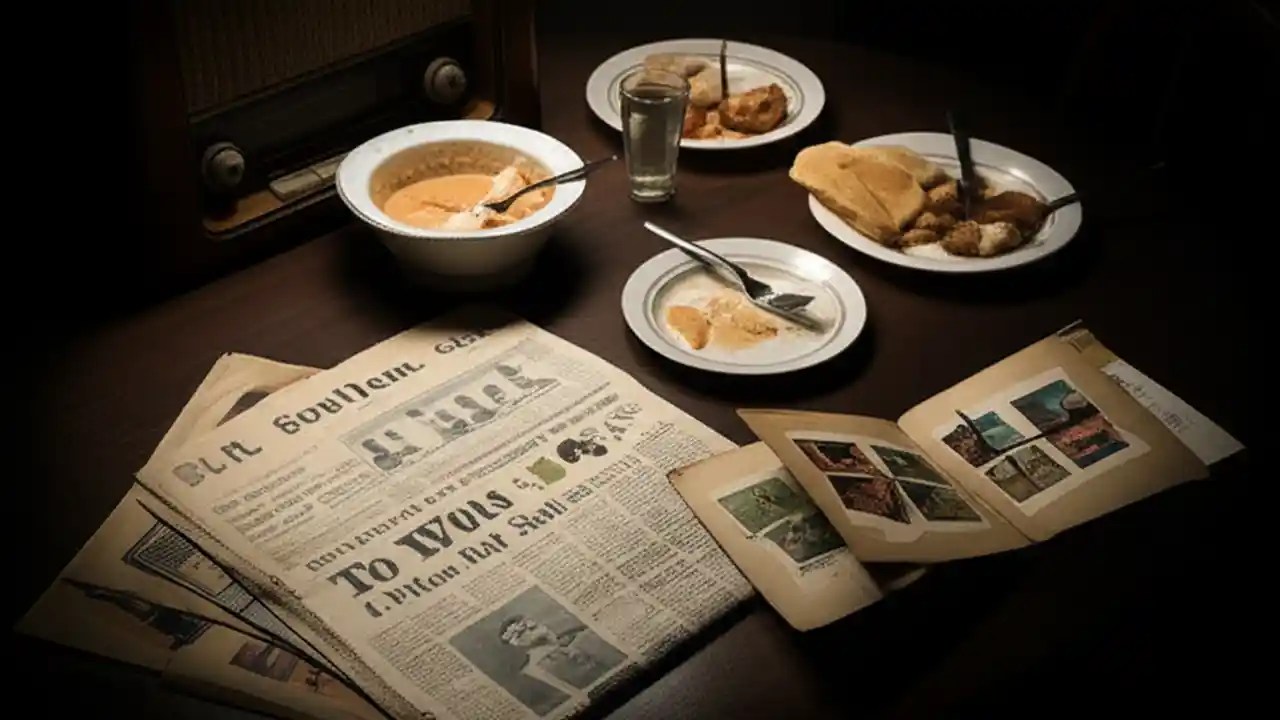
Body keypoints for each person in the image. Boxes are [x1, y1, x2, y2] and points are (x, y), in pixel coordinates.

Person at [497, 615, 615, 693]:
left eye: (529, 623)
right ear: (517, 642)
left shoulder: (577, 635)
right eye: (521, 631)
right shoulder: (542, 664)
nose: (529, 626)